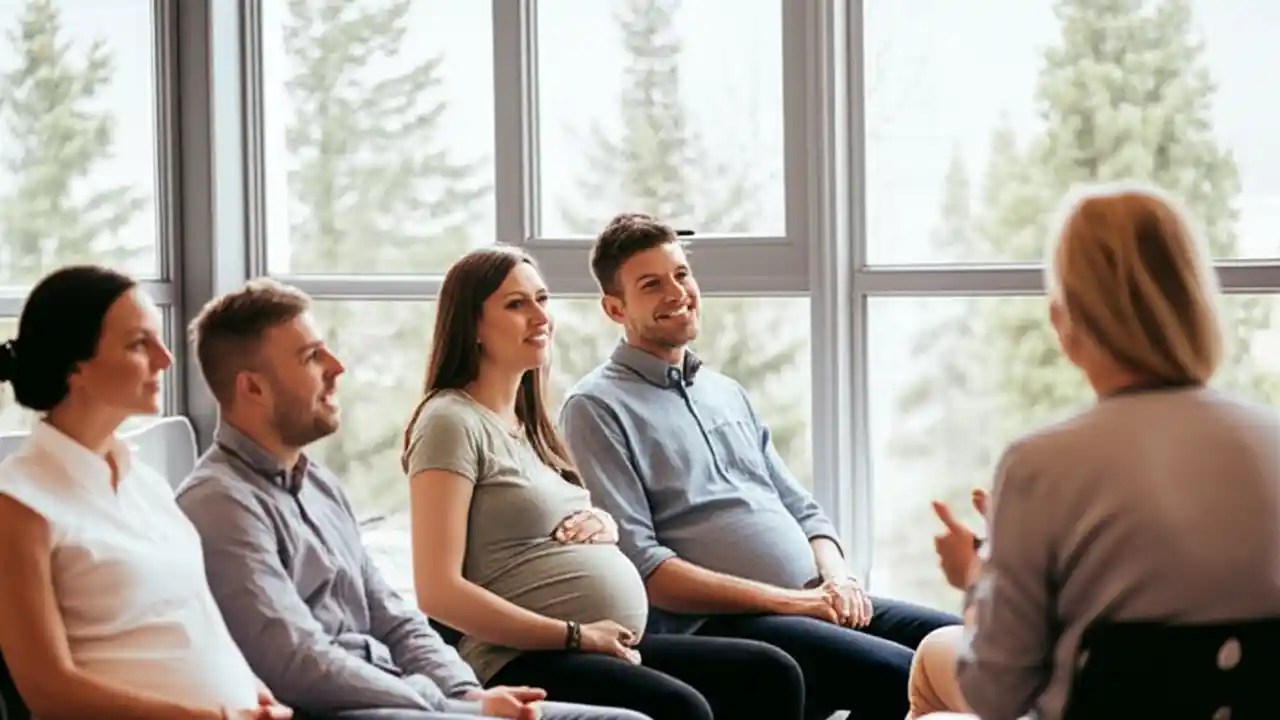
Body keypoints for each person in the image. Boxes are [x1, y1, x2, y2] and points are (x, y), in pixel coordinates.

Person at [559, 213, 961, 720]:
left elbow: (802, 508)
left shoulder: (726, 392)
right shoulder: (595, 407)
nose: (677, 292)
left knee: (959, 648)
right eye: (651, 284)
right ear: (614, 308)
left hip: (815, 598)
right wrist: (793, 604)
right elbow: (647, 568)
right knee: (905, 677)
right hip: (720, 624)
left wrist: (840, 581)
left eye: (681, 275)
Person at [179, 278, 640, 720]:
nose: (336, 367)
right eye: (310, 357)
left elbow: (393, 617)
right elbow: (298, 662)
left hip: (405, 697)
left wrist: (465, 691)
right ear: (252, 388)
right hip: (342, 710)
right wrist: (445, 704)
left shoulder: (318, 485)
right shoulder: (220, 505)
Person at [916, 183, 1280, 720]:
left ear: (1064, 321)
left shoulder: (1042, 465)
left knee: (931, 673)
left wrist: (978, 578)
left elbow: (996, 695)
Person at [403, 246, 806, 720]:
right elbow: (438, 591)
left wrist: (602, 529)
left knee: (769, 672)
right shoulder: (450, 421)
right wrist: (576, 634)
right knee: (682, 709)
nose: (540, 317)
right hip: (524, 656)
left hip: (598, 641)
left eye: (542, 299)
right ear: (471, 325)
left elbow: (531, 529)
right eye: (516, 305)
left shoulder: (529, 428)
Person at [0, 265, 290, 720]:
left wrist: (255, 694)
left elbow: (191, 616)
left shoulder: (145, 481)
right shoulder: (18, 504)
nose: (165, 358)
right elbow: (47, 690)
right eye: (139, 343)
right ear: (75, 366)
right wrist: (205, 718)